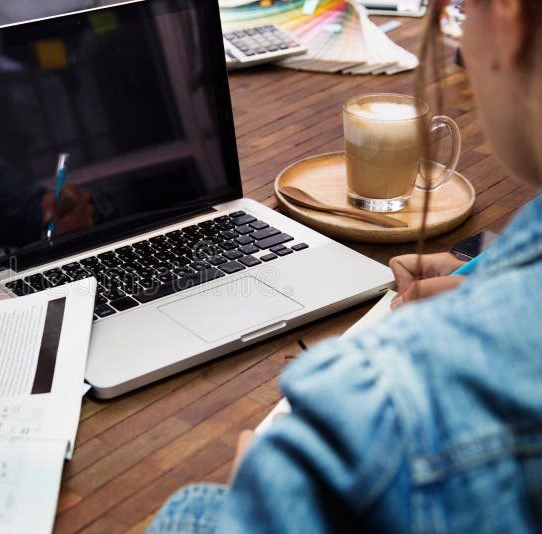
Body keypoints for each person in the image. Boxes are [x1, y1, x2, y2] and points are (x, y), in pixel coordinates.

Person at [146, 0, 542, 531]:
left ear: (508, 16)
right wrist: (491, 271)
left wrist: (227, 508)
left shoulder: (383, 411)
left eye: (462, 10)